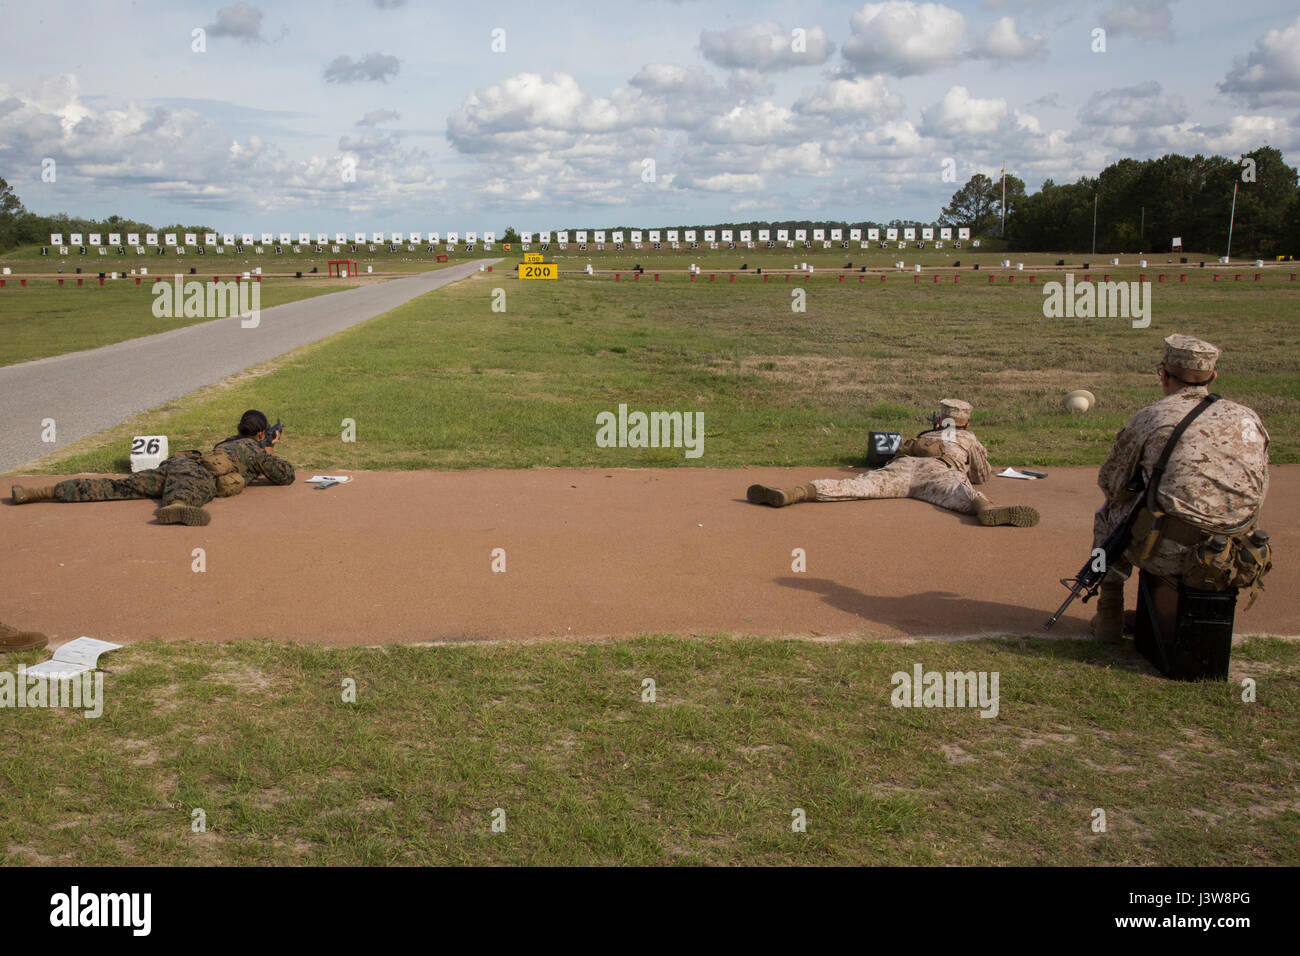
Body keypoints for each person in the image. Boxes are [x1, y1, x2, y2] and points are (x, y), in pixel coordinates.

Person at [1089, 335, 1269, 640]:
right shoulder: (1248, 418)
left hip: (1168, 552)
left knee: (1110, 514)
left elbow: (1112, 483)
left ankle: (1109, 615)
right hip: (1235, 556)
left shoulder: (1152, 417)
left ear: (1163, 374)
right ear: (1213, 376)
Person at [746, 398, 1039, 527]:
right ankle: (985, 509)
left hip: (904, 467)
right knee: (965, 494)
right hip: (939, 472)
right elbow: (981, 475)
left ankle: (797, 493)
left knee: (855, 485)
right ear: (967, 421)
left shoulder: (927, 433)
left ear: (939, 418)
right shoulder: (969, 438)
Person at [11, 410, 294, 526]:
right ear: (261, 434)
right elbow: (285, 476)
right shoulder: (253, 450)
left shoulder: (227, 443)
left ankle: (39, 491)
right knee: (192, 488)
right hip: (196, 474)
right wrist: (268, 450)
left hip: (180, 464)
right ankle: (176, 506)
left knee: (117, 486)